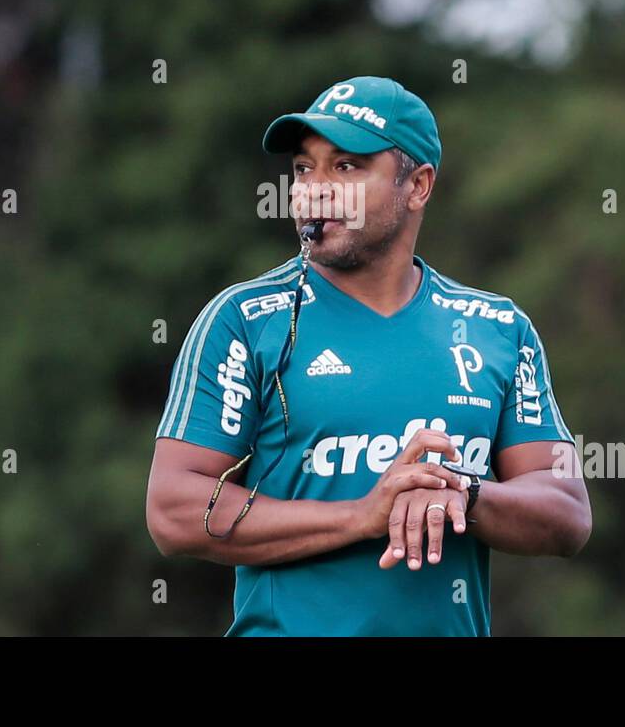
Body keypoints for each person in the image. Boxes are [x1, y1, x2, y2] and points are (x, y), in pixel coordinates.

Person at [146, 76, 591, 635]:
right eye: (304, 168)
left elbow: (567, 512)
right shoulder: (244, 320)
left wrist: (460, 492)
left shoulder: (498, 328)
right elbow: (172, 509)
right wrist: (362, 516)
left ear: (419, 185)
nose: (315, 188)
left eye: (347, 167)